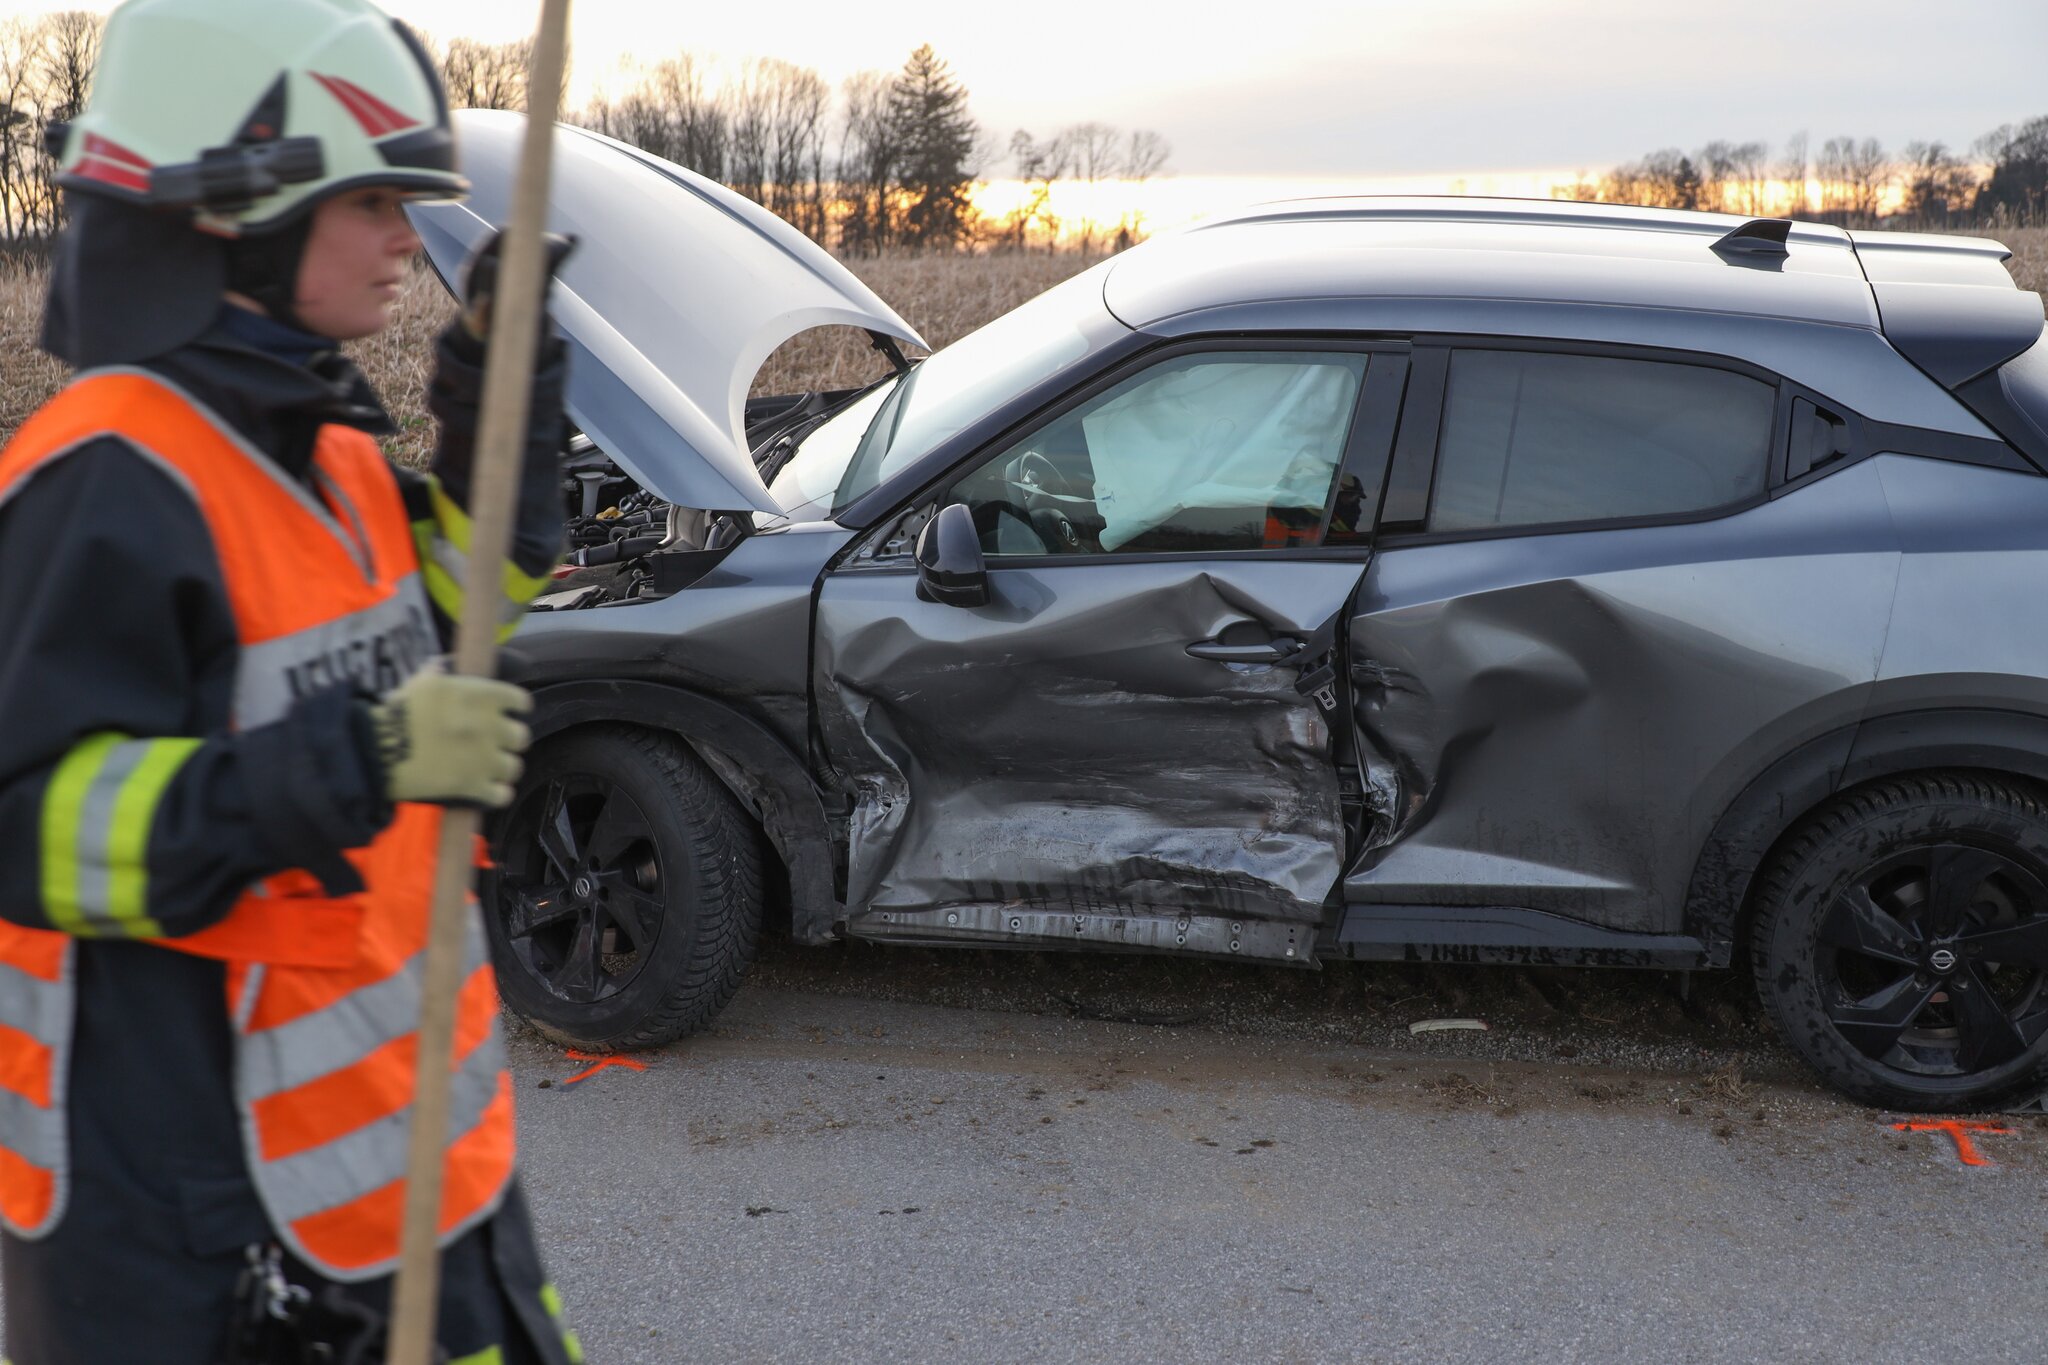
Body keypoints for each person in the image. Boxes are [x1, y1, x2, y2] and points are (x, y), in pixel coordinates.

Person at [0, 0, 580, 1359]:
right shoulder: (107, 480)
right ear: (230, 212)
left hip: (400, 1177)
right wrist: (365, 757)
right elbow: (27, 824)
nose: (405, 238)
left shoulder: (316, 445)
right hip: (198, 1238)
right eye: (374, 199)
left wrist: (507, 389)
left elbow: (459, 609)